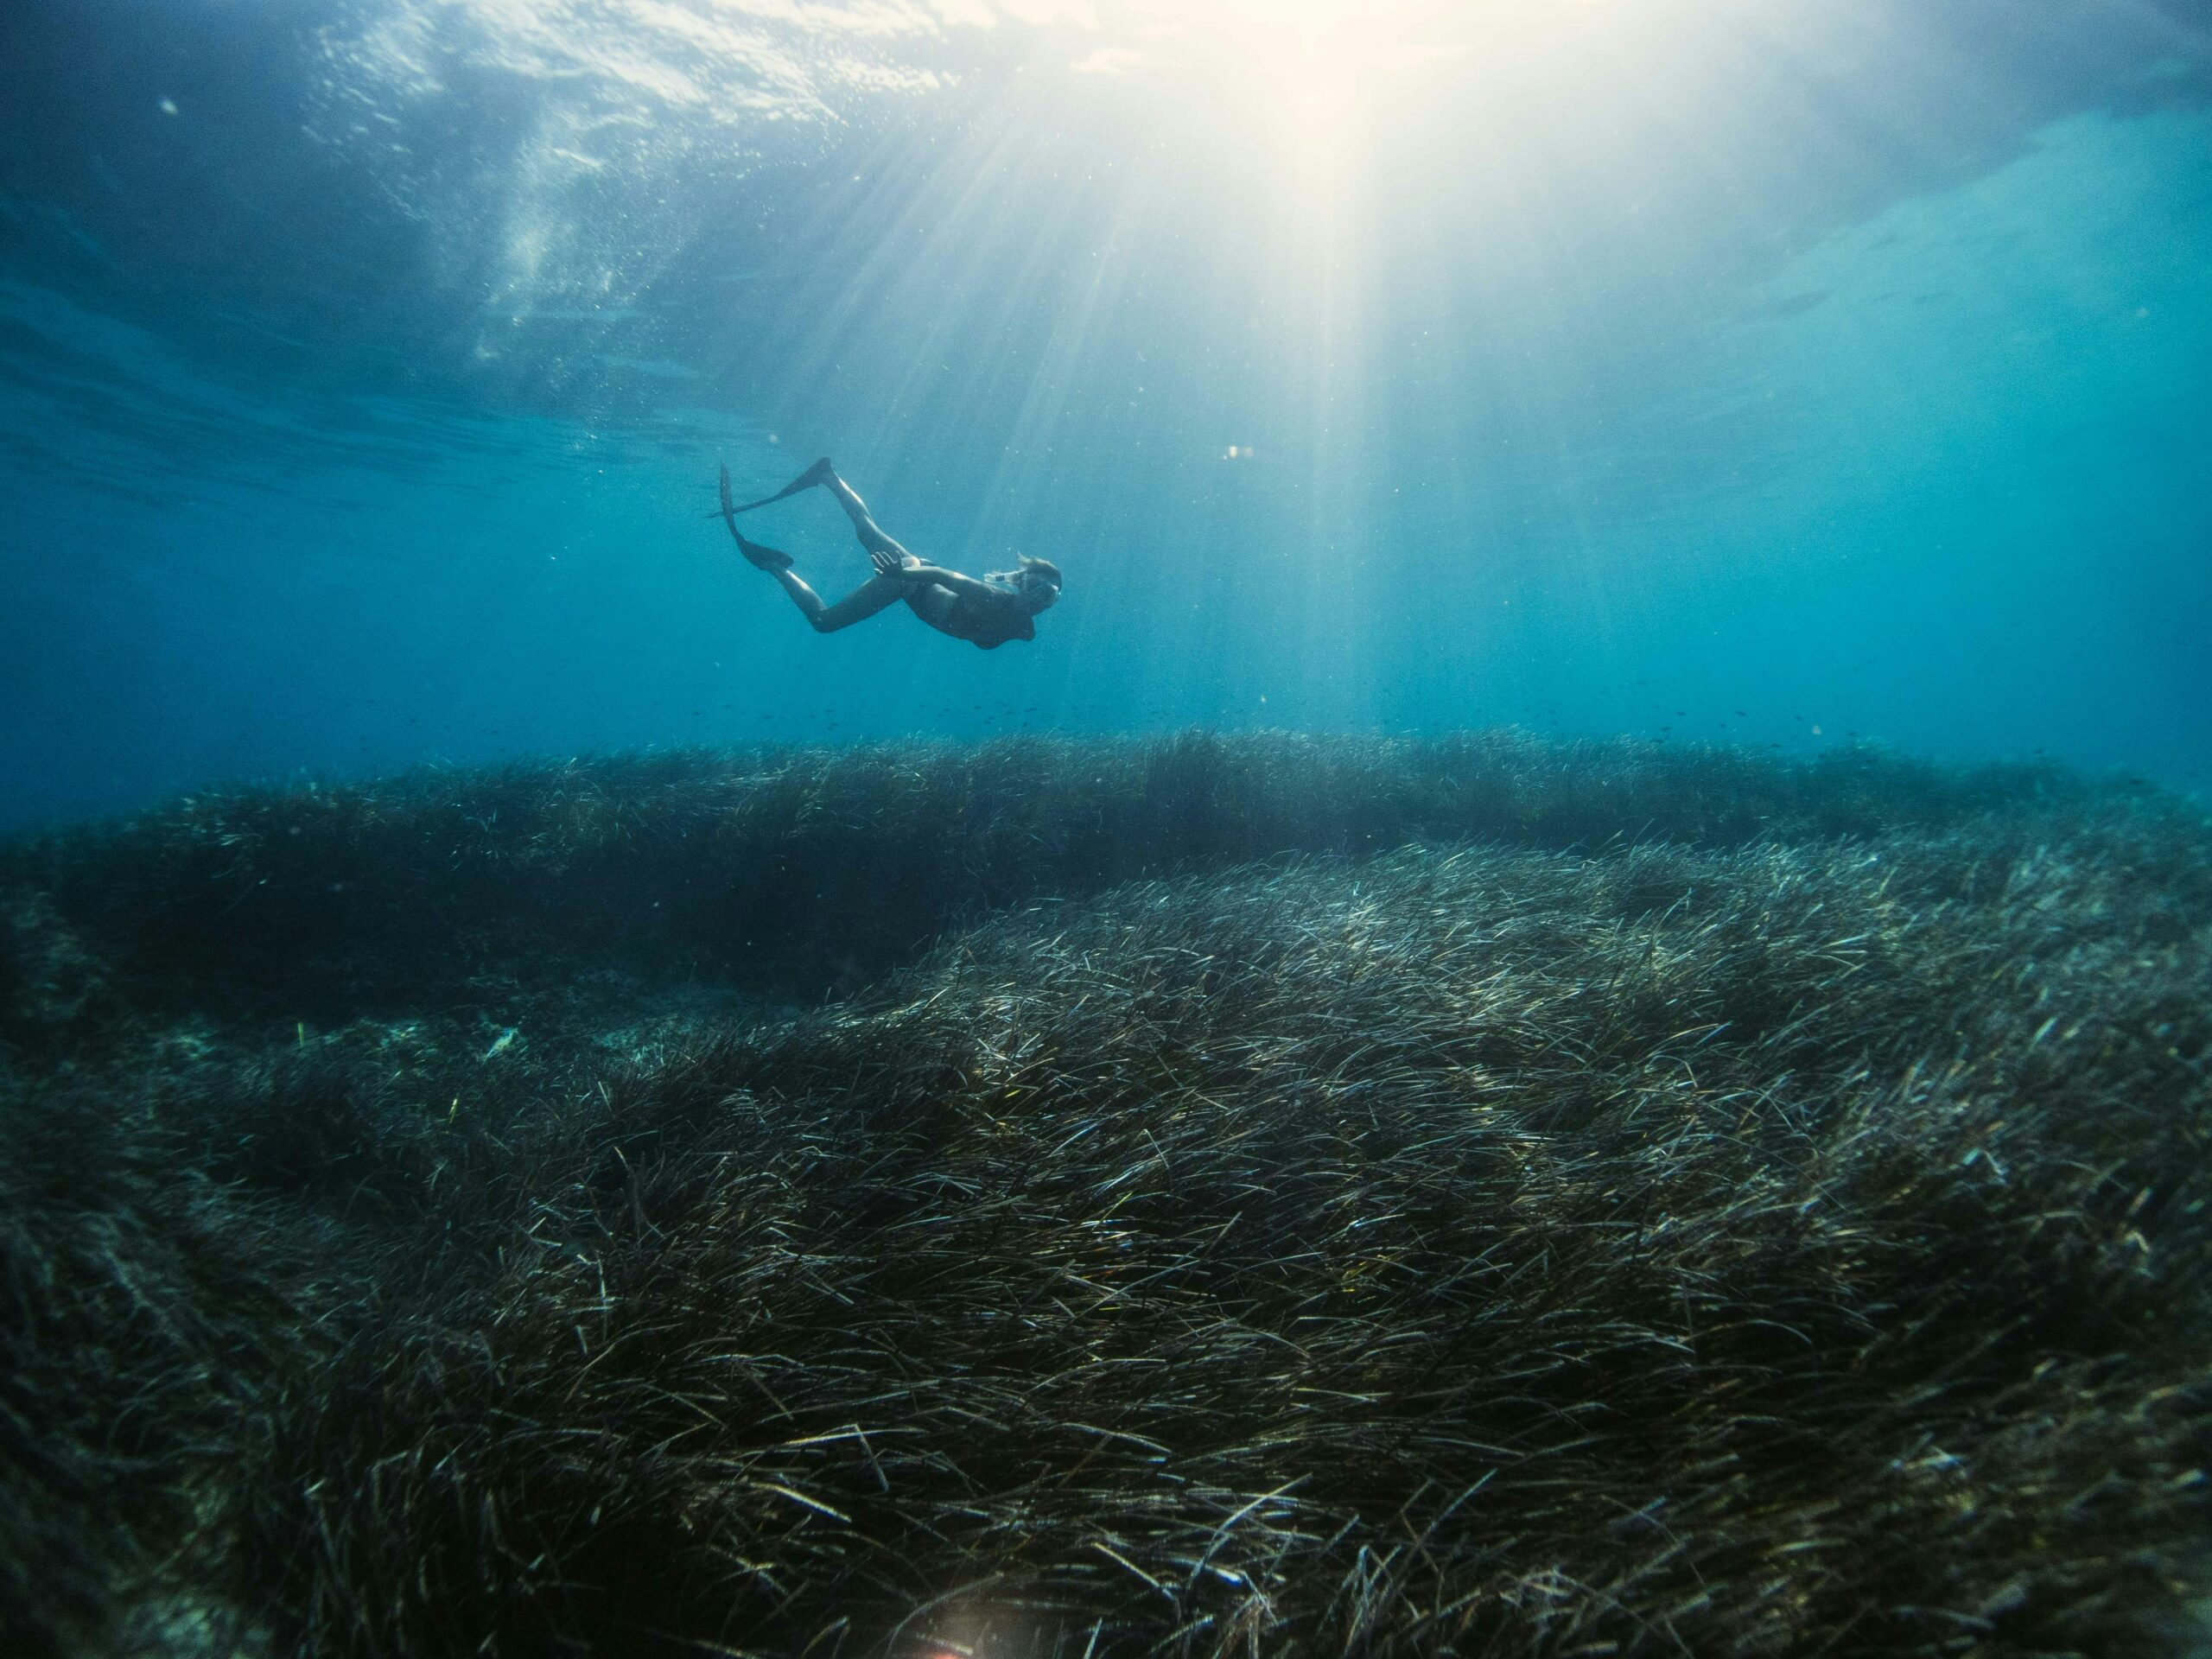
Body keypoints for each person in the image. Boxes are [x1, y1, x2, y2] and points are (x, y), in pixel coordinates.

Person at [715, 458, 1061, 650]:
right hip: (909, 581)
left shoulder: (1025, 631)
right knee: (824, 622)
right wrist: (901, 575)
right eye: (1035, 587)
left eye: (1048, 595)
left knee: (868, 532)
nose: (1038, 599)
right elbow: (943, 577)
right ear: (1021, 584)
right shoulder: (990, 598)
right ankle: (776, 567)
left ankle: (827, 476)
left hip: (915, 576)